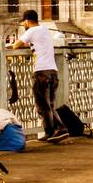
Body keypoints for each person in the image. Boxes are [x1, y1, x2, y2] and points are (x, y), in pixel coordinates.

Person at [12, 10, 68, 142]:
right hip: (53, 71)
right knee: (49, 105)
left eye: (24, 22)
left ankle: (60, 128)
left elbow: (15, 45)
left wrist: (20, 44)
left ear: (26, 21)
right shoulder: (45, 30)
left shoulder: (31, 31)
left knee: (43, 106)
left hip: (41, 72)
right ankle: (50, 132)